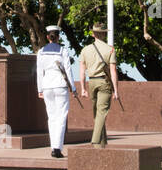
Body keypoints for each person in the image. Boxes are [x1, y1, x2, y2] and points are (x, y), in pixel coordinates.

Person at [36, 25, 76, 158]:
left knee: (51, 117)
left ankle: (54, 146)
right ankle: (57, 148)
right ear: (58, 37)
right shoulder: (63, 51)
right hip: (60, 85)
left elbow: (39, 72)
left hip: (47, 85)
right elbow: (68, 70)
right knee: (61, 117)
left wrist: (39, 89)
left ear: (48, 37)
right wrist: (73, 88)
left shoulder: (41, 51)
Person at [78, 23, 119, 148]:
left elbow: (82, 71)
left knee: (97, 112)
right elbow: (113, 71)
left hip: (92, 82)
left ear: (92, 34)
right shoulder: (110, 49)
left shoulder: (85, 50)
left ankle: (101, 144)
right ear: (104, 34)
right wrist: (116, 90)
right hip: (104, 82)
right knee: (102, 112)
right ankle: (95, 140)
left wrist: (83, 88)